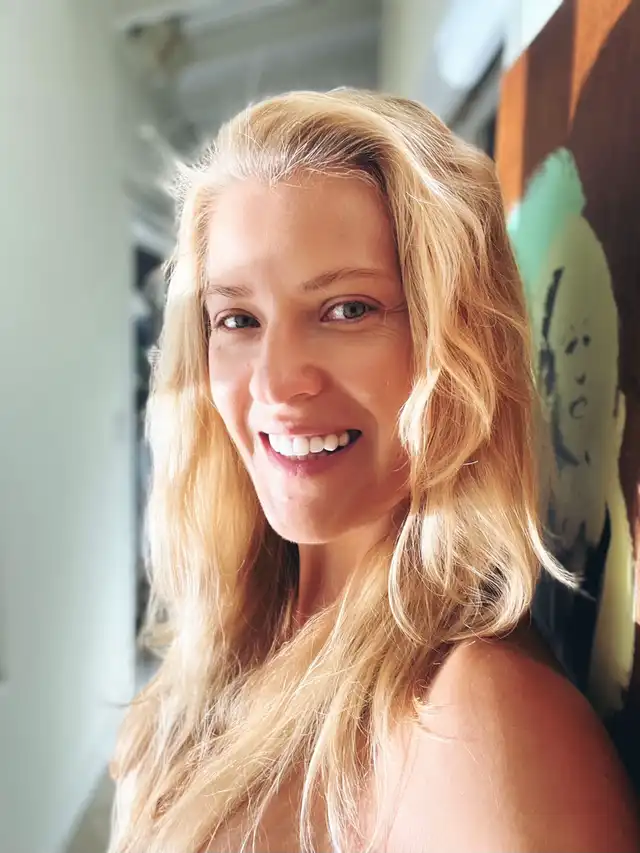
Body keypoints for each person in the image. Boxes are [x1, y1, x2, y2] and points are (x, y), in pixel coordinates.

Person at [108, 89, 639, 853]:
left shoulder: (477, 718)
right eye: (238, 318)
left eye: (347, 309)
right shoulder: (231, 635)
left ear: (454, 340)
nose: (276, 382)